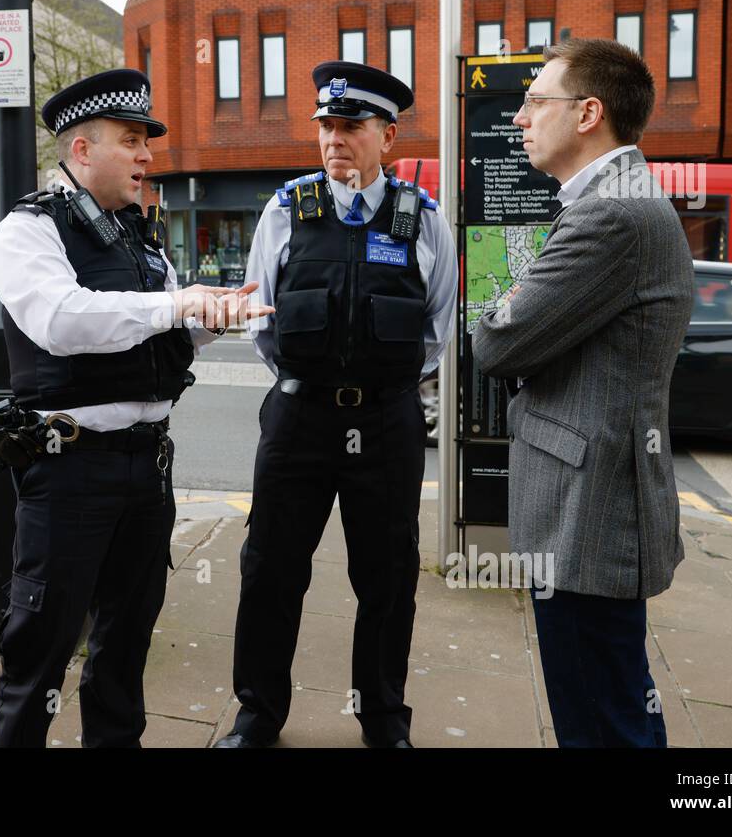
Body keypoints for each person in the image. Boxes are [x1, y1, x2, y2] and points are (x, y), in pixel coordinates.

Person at [0, 68, 271, 747]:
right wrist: (177, 302)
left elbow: (162, 334)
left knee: (127, 638)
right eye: (132, 141)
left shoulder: (136, 236)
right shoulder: (29, 228)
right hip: (70, 470)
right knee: (41, 646)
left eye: (147, 142)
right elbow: (61, 319)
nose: (147, 156)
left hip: (147, 467)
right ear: (81, 150)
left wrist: (212, 316)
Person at [215, 61, 459, 748]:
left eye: (350, 127)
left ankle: (383, 717)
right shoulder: (287, 210)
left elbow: (437, 329)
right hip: (300, 418)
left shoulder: (422, 219)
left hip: (386, 421)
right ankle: (257, 713)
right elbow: (261, 319)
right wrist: (312, 381)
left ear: (387, 136)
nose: (334, 139)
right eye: (325, 126)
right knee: (270, 570)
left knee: (386, 577)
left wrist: (379, 386)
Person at [472, 38, 695, 747]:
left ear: (589, 113)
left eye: (536, 100)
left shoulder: (610, 215)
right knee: (611, 706)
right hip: (590, 507)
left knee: (602, 723)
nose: (519, 118)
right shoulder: (614, 202)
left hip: (586, 517)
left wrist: (497, 309)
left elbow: (498, 342)